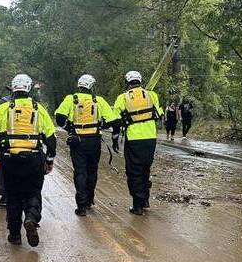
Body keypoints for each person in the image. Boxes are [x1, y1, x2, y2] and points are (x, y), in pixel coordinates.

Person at [0, 74, 58, 246]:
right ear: (28, 88)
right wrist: (50, 160)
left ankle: (14, 235)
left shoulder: (4, 108)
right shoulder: (39, 109)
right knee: (33, 192)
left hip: (10, 160)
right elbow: (51, 139)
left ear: (13, 88)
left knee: (13, 195)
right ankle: (31, 218)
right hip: (34, 159)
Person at [54, 74, 118, 216]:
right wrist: (101, 124)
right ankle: (89, 200)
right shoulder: (98, 100)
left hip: (78, 141)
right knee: (92, 171)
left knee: (80, 171)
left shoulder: (71, 99)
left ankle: (81, 206)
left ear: (80, 85)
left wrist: (69, 128)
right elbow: (112, 120)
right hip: (94, 140)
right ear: (92, 86)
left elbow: (59, 117)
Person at [111, 70, 164, 215]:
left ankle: (137, 205)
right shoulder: (151, 95)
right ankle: (145, 200)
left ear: (127, 83)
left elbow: (115, 120)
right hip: (150, 138)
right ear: (140, 81)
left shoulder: (123, 98)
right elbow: (159, 114)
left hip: (134, 139)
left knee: (134, 171)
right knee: (146, 169)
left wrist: (115, 138)